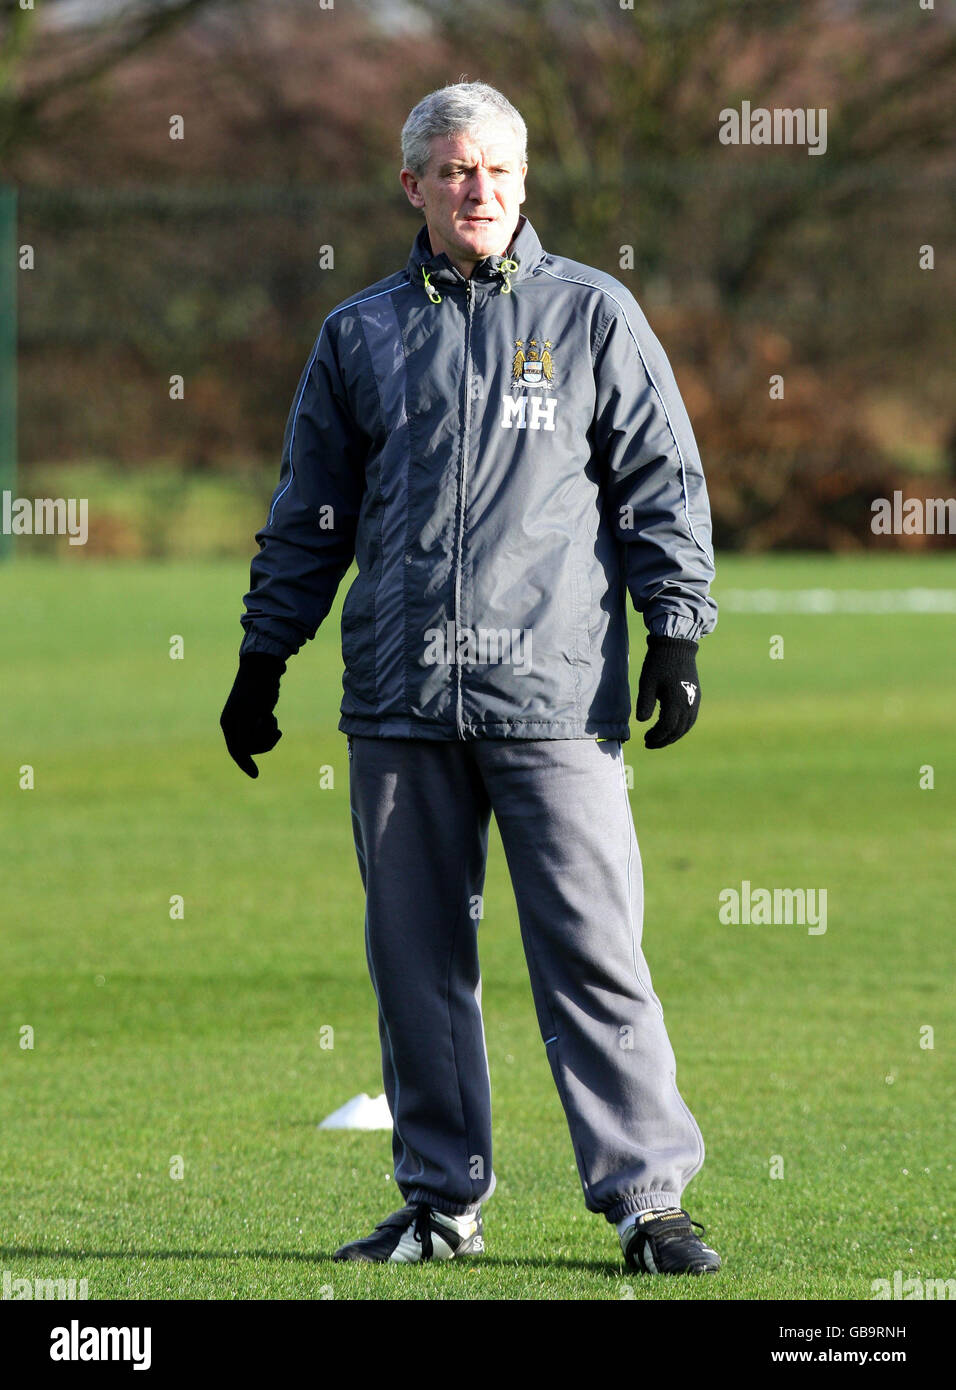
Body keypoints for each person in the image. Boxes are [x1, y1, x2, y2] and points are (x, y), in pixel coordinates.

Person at [220, 81, 721, 1276]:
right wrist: (259, 657)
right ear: (413, 187)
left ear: (524, 181)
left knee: (594, 956)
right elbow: (307, 518)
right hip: (398, 706)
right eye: (451, 171)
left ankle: (648, 1203)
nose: (475, 189)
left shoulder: (591, 315)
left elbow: (663, 481)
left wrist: (677, 632)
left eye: (494, 169)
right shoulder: (359, 334)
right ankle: (440, 1202)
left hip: (552, 698)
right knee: (416, 969)